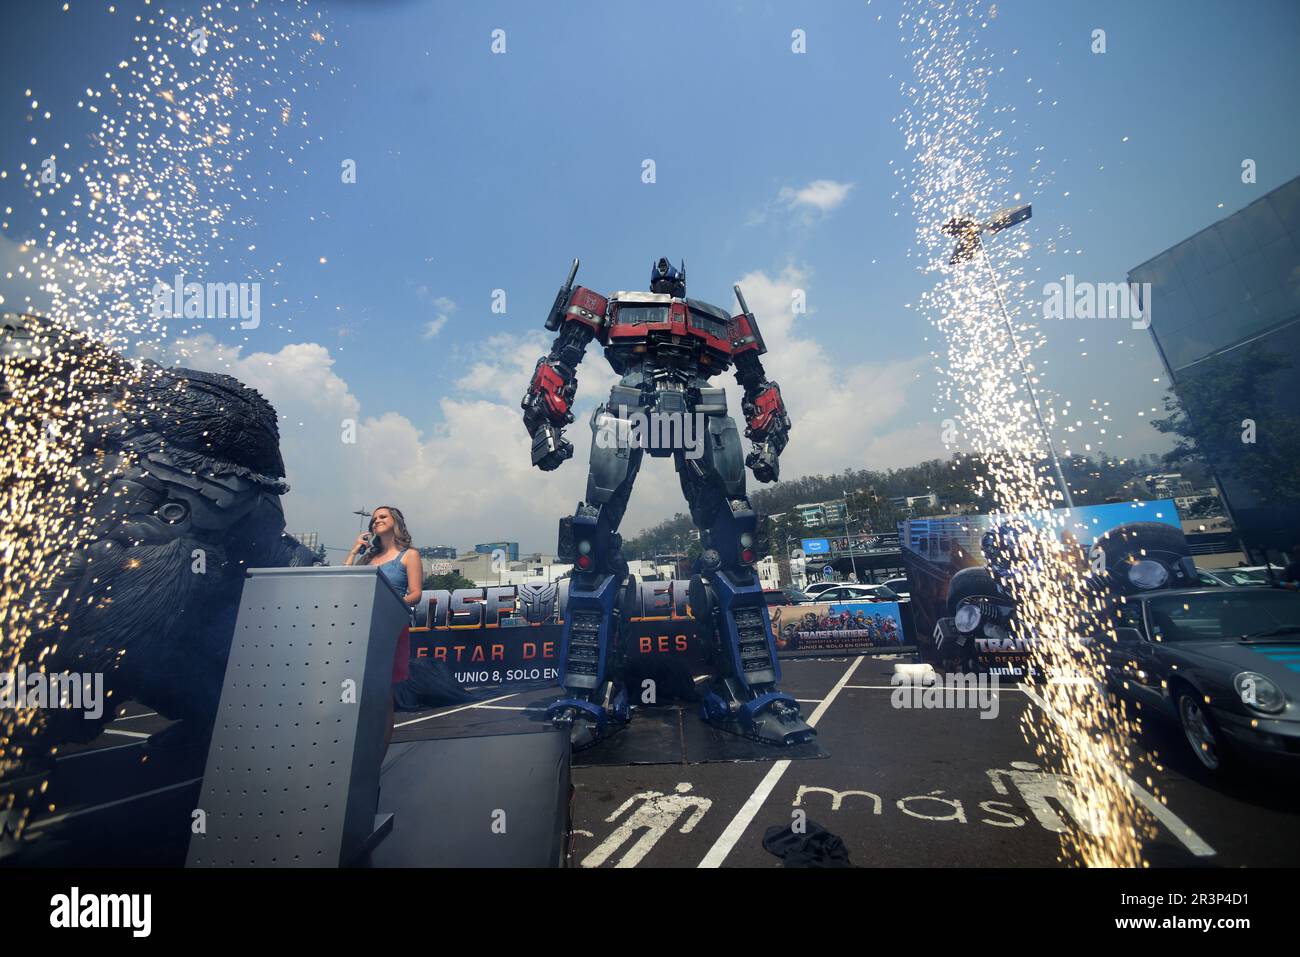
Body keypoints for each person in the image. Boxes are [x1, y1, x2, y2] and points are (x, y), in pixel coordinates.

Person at [344, 506, 423, 751]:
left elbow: (416, 594)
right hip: (359, 628)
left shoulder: (409, 555)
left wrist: (391, 603)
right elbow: (345, 582)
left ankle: (376, 757)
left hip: (389, 627)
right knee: (357, 691)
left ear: (395, 522)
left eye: (382, 517)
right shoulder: (367, 558)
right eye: (374, 519)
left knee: (383, 694)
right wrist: (354, 552)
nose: (376, 521)